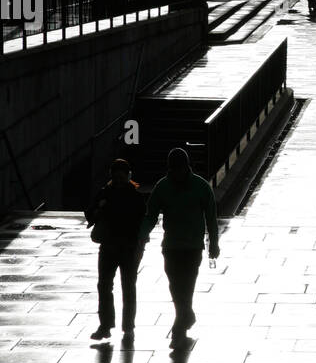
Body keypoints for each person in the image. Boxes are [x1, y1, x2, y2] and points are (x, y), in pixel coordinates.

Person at [139, 148, 219, 348]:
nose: (176, 173)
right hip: (173, 245)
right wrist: (141, 236)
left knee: (184, 286)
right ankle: (186, 315)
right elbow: (151, 214)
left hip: (191, 247)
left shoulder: (194, 187)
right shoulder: (169, 186)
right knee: (177, 286)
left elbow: (211, 218)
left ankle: (179, 327)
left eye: (178, 169)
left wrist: (214, 245)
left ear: (185, 167)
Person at [86, 158, 147, 347]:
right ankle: (115, 326)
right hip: (115, 247)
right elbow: (90, 213)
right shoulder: (125, 195)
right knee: (115, 286)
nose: (118, 179)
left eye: (121, 176)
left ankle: (117, 326)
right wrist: (98, 209)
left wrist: (140, 247)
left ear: (127, 176)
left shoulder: (128, 196)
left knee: (114, 286)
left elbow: (142, 226)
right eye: (116, 176)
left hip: (123, 248)